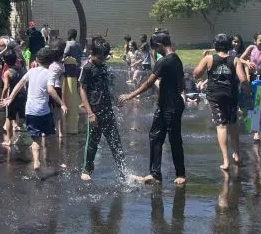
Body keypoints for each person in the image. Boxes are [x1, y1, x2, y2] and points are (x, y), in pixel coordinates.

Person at [119, 31, 186, 185]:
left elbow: (148, 82)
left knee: (174, 139)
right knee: (155, 136)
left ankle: (181, 174)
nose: (155, 51)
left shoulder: (165, 61)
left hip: (171, 106)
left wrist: (130, 95)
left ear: (159, 45)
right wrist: (182, 93)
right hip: (165, 105)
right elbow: (181, 81)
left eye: (155, 48)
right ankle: (155, 174)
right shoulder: (176, 59)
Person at [1, 46, 67, 172]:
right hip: (43, 111)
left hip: (30, 111)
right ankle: (56, 162)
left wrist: (10, 97)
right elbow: (50, 89)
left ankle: (36, 161)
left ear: (37, 59)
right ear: (51, 62)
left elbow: (20, 84)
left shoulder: (31, 71)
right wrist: (62, 103)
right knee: (51, 136)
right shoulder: (50, 74)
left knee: (36, 138)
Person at [193, 34, 249, 172]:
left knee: (221, 126)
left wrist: (202, 59)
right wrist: (248, 94)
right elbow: (243, 79)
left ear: (215, 45)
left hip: (215, 96)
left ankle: (225, 161)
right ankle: (237, 155)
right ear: (229, 45)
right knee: (233, 125)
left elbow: (196, 74)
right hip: (231, 95)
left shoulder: (209, 58)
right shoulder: (235, 60)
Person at [79, 37, 126, 182]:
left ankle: (124, 171)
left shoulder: (104, 67)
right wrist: (90, 113)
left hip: (107, 110)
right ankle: (86, 169)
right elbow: (82, 90)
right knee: (92, 142)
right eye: (100, 57)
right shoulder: (87, 68)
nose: (102, 60)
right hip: (95, 112)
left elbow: (108, 88)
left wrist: (115, 99)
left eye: (105, 58)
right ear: (92, 53)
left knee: (115, 142)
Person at [0, 50, 26, 148]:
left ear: (5, 62)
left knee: (9, 118)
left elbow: (6, 86)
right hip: (22, 95)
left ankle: (10, 141)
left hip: (12, 97)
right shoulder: (20, 69)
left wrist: (2, 98)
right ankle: (25, 138)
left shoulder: (7, 73)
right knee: (22, 117)